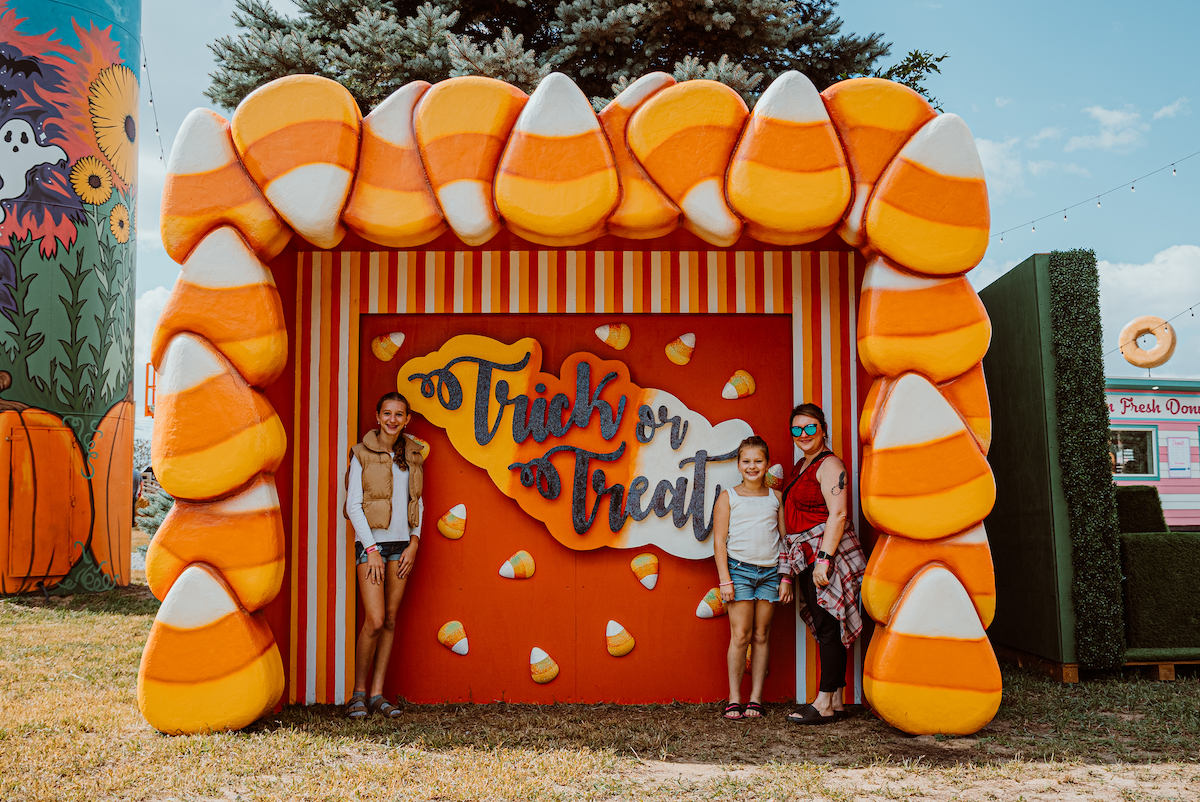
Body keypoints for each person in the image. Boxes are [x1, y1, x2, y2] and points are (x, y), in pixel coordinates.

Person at [779, 403, 866, 725]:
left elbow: (839, 514)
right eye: (796, 429)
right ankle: (838, 700)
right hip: (805, 554)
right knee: (826, 625)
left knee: (829, 627)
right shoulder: (803, 464)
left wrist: (824, 560)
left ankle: (825, 702)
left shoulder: (830, 465)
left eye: (810, 428)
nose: (803, 434)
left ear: (823, 430)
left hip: (824, 554)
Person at [343, 392, 425, 719]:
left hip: (402, 548)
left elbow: (417, 501)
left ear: (407, 420)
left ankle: (377, 694)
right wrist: (372, 549)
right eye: (387, 413)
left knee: (390, 620)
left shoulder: (413, 455)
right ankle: (357, 695)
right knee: (374, 620)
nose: (393, 419)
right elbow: (353, 506)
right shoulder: (360, 454)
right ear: (377, 416)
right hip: (373, 548)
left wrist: (415, 542)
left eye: (399, 414)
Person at [712, 435, 793, 720]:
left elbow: (785, 541)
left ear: (768, 464)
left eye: (758, 461)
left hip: (771, 574)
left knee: (761, 635)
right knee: (741, 635)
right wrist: (725, 580)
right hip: (740, 572)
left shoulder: (776, 498)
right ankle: (734, 698)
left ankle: (756, 699)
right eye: (746, 461)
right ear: (738, 465)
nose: (752, 466)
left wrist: (786, 577)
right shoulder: (728, 497)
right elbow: (719, 541)